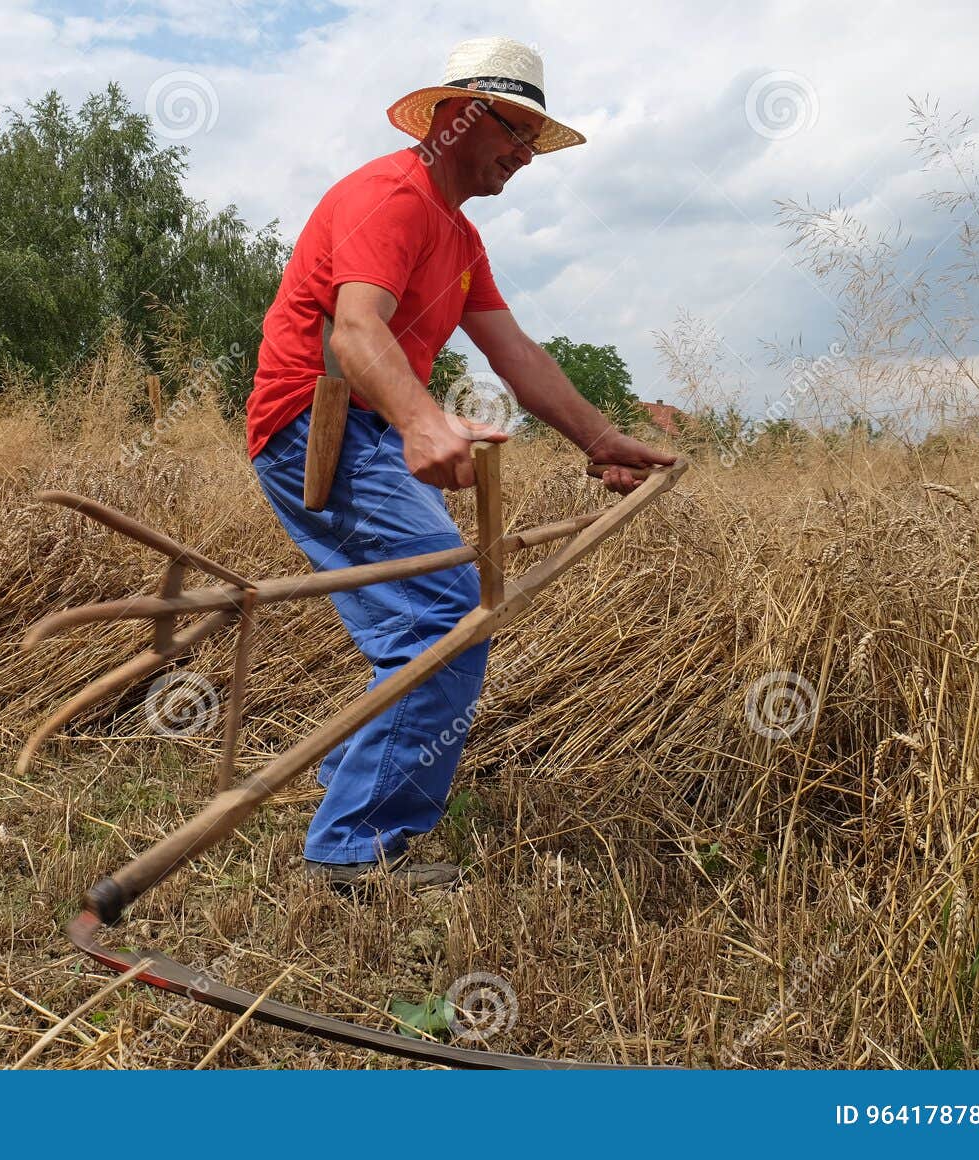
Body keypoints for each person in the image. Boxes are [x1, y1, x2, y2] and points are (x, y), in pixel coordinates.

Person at [248, 37, 676, 890]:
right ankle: (354, 852)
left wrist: (600, 440)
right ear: (457, 116)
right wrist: (418, 419)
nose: (522, 156)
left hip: (369, 430)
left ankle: (355, 790)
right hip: (316, 425)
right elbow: (357, 330)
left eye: (531, 142)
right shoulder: (390, 198)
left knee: (420, 623)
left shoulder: (458, 235)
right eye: (513, 131)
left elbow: (513, 350)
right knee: (444, 614)